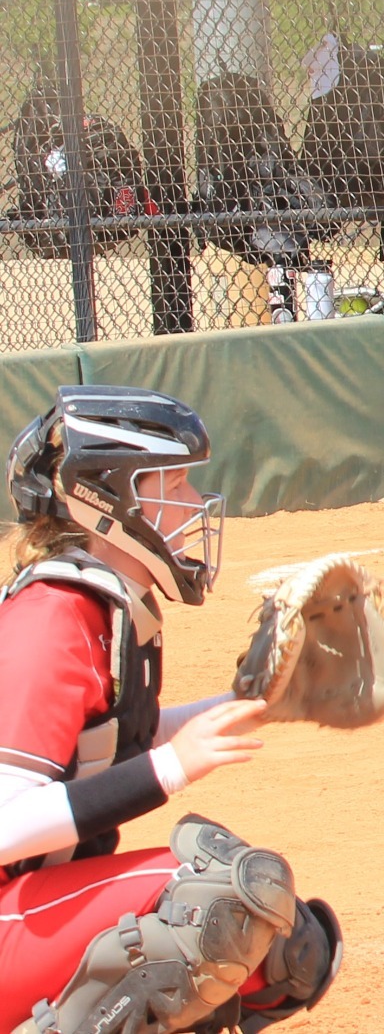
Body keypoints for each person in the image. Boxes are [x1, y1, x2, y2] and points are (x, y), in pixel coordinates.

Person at [0, 386, 342, 1032]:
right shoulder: (50, 620)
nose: (192, 506)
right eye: (174, 486)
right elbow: (4, 823)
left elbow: (102, 744)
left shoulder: (102, 605)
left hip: (17, 915)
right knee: (215, 905)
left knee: (289, 950)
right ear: (108, 501)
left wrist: (253, 705)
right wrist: (169, 769)